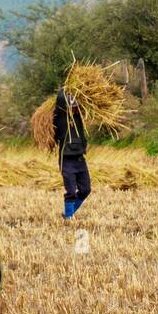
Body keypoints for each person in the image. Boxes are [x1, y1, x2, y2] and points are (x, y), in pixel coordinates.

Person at [53, 87, 91, 219]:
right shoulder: (60, 118)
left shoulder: (79, 117)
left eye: (76, 105)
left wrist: (78, 89)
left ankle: (69, 213)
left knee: (86, 190)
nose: (75, 108)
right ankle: (69, 218)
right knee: (71, 192)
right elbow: (60, 100)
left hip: (80, 159)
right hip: (67, 160)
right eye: (72, 106)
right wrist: (67, 88)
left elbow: (87, 101)